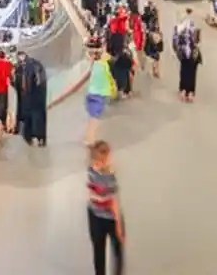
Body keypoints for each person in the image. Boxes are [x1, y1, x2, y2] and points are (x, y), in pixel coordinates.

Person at [86, 140, 124, 275]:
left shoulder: (97, 173)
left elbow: (111, 201)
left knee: (103, 250)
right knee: (111, 250)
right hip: (103, 216)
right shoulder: (103, 175)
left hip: (101, 216)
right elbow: (112, 201)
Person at [14, 52, 48, 146]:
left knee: (36, 117)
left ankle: (38, 137)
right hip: (26, 96)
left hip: (34, 96)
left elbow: (39, 81)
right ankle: (30, 137)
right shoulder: (19, 67)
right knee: (28, 117)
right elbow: (16, 82)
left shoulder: (35, 65)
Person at [84, 47, 112, 145]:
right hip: (100, 95)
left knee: (91, 118)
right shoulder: (104, 64)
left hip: (91, 93)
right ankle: (90, 140)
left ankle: (88, 137)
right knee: (95, 119)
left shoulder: (94, 65)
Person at [173, 8, 201, 103]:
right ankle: (190, 92)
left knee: (184, 71)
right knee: (192, 73)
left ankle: (183, 90)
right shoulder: (193, 26)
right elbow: (197, 40)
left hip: (183, 53)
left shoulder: (178, 27)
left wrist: (178, 51)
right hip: (192, 53)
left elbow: (175, 42)